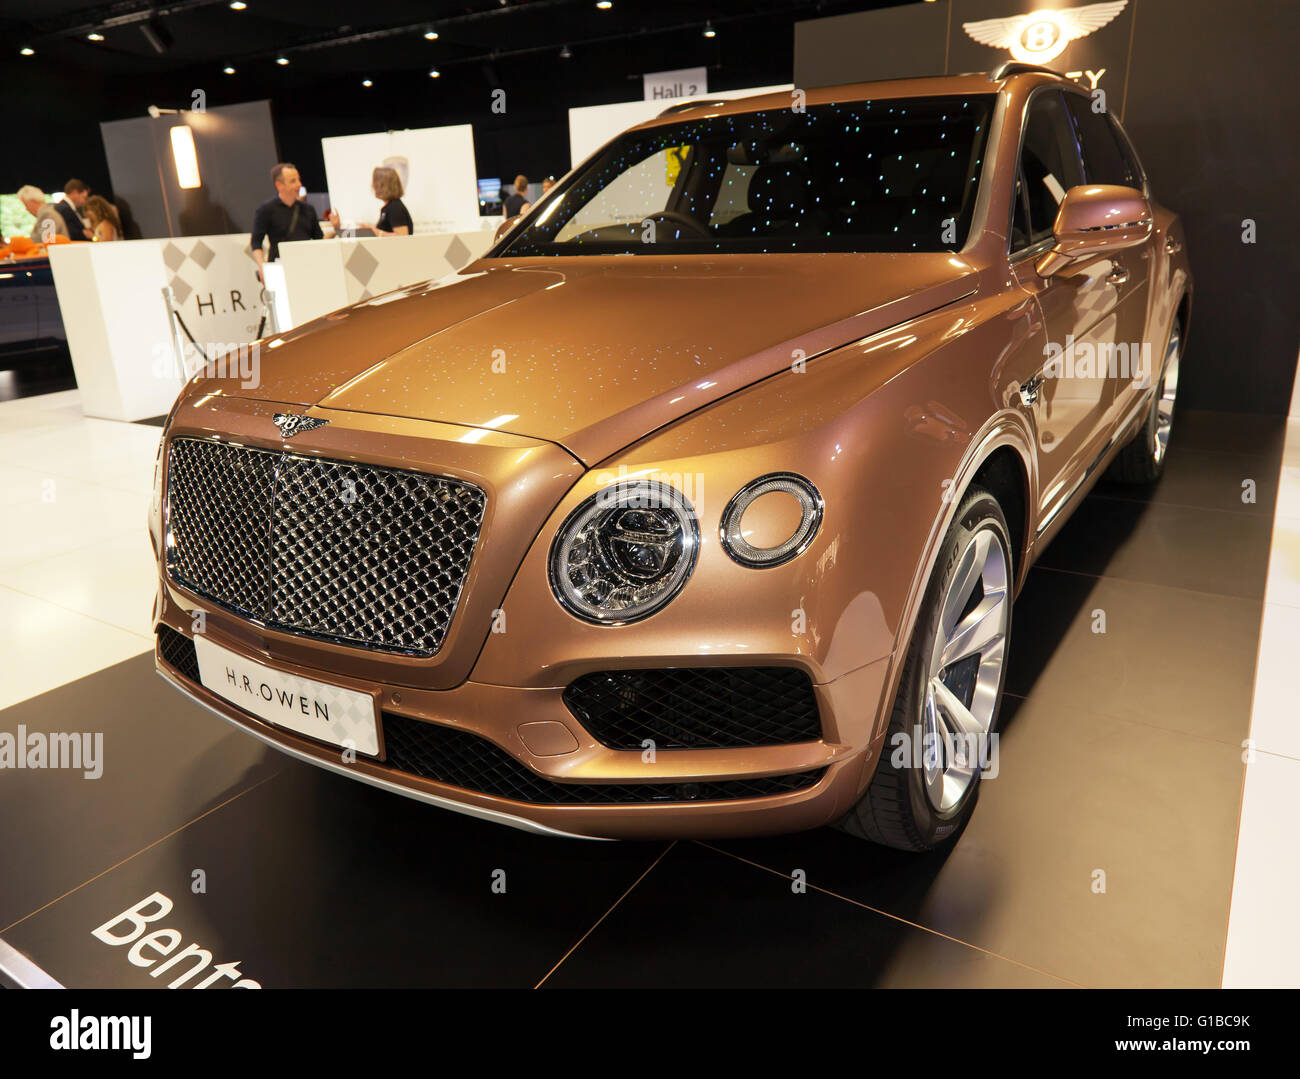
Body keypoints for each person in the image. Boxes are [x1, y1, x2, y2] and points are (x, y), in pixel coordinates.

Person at [250, 162, 339, 281]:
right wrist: (262, 267)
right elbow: (256, 243)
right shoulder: (266, 210)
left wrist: (335, 228)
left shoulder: (308, 209)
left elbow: (319, 240)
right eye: (293, 181)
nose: (299, 185)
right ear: (279, 185)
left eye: (298, 180)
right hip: (280, 267)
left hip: (307, 266)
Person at [365, 166, 413, 236]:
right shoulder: (389, 207)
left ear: (381, 185)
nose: (372, 186)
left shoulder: (395, 207)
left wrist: (375, 231)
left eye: (374, 183)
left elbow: (402, 236)